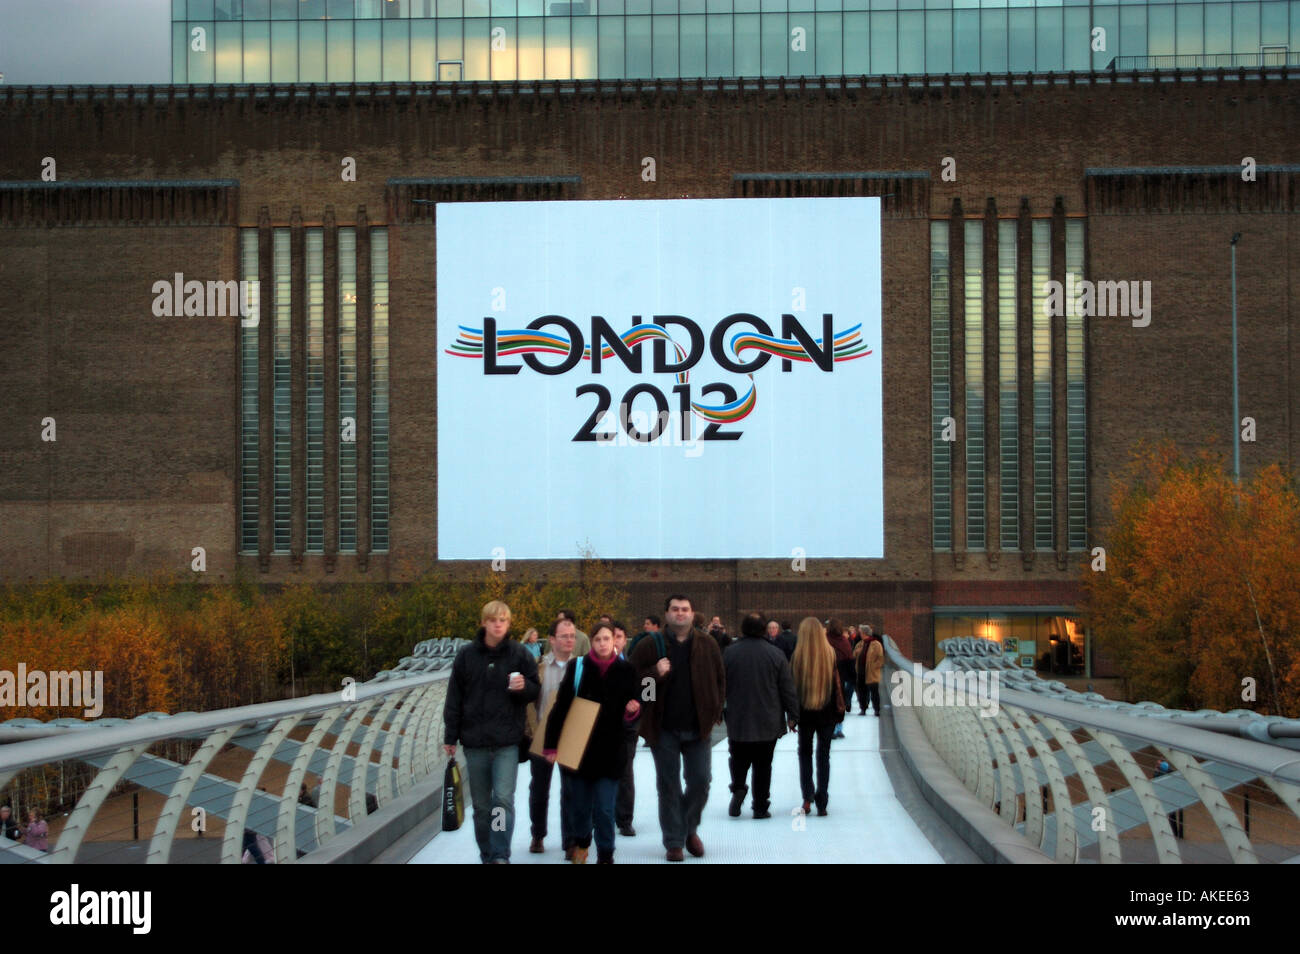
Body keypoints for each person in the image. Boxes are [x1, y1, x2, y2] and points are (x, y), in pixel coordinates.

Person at [443, 600, 541, 864]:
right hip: (474, 742)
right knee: (482, 807)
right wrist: (450, 736)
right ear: (484, 622)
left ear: (508, 624)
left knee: (502, 800)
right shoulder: (466, 656)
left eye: (504, 620)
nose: (498, 624)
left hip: (507, 741)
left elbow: (535, 690)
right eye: (493, 620)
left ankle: (500, 854)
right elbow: (454, 697)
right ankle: (487, 853)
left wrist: (524, 687)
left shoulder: (519, 654)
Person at [629, 594, 725, 862]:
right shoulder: (650, 646)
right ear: (667, 614)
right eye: (675, 609)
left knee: (700, 781)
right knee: (668, 785)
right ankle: (674, 841)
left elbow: (720, 679)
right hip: (664, 728)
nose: (680, 613)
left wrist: (716, 711)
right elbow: (636, 688)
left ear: (693, 614)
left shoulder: (707, 644)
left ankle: (689, 828)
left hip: (698, 728)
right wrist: (653, 675)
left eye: (685, 609)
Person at [543, 622, 641, 863]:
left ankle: (606, 853)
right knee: (580, 807)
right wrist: (550, 745)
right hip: (581, 751)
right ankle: (583, 841)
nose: (603, 644)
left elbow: (640, 701)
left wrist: (633, 710)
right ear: (591, 642)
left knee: (605, 808)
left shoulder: (627, 670)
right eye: (598, 639)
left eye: (607, 639)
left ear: (615, 641)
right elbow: (560, 708)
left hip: (612, 750)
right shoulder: (578, 667)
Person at [723, 612, 799, 819]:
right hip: (768, 719)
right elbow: (787, 688)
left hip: (738, 718)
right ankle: (760, 806)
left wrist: (717, 710)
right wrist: (793, 714)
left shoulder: (729, 654)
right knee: (763, 765)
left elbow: (720, 685)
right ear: (765, 630)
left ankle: (738, 786)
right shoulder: (775, 654)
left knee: (737, 758)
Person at [527, 617, 579, 856]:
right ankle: (538, 834)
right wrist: (532, 730)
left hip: (570, 737)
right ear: (552, 640)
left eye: (572, 636)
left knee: (570, 791)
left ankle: (570, 841)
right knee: (539, 790)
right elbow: (529, 703)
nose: (569, 640)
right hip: (541, 736)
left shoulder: (581, 667)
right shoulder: (538, 667)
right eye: (564, 636)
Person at [792, 617, 842, 816]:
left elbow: (792, 690)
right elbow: (837, 684)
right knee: (824, 755)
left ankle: (807, 797)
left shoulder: (797, 657)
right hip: (827, 712)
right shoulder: (830, 654)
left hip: (805, 714)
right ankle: (823, 800)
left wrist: (792, 716)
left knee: (804, 753)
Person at [611, 621, 639, 837]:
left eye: (619, 636)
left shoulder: (633, 667)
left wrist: (638, 707)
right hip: (598, 730)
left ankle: (624, 819)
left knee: (625, 775)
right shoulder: (589, 667)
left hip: (626, 728)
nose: (614, 641)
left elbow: (647, 694)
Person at [826, 618, 854, 739]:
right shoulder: (844, 641)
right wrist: (852, 678)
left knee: (828, 704)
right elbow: (849, 659)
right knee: (839, 703)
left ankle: (830, 728)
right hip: (840, 678)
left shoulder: (824, 640)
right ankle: (838, 728)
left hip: (826, 678)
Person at [855, 625, 884, 716]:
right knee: (861, 692)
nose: (860, 634)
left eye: (861, 633)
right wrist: (857, 652)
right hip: (861, 671)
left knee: (874, 692)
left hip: (872, 673)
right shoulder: (860, 644)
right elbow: (854, 654)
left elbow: (880, 658)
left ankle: (877, 710)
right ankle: (863, 708)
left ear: (865, 633)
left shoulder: (876, 644)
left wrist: (874, 666)